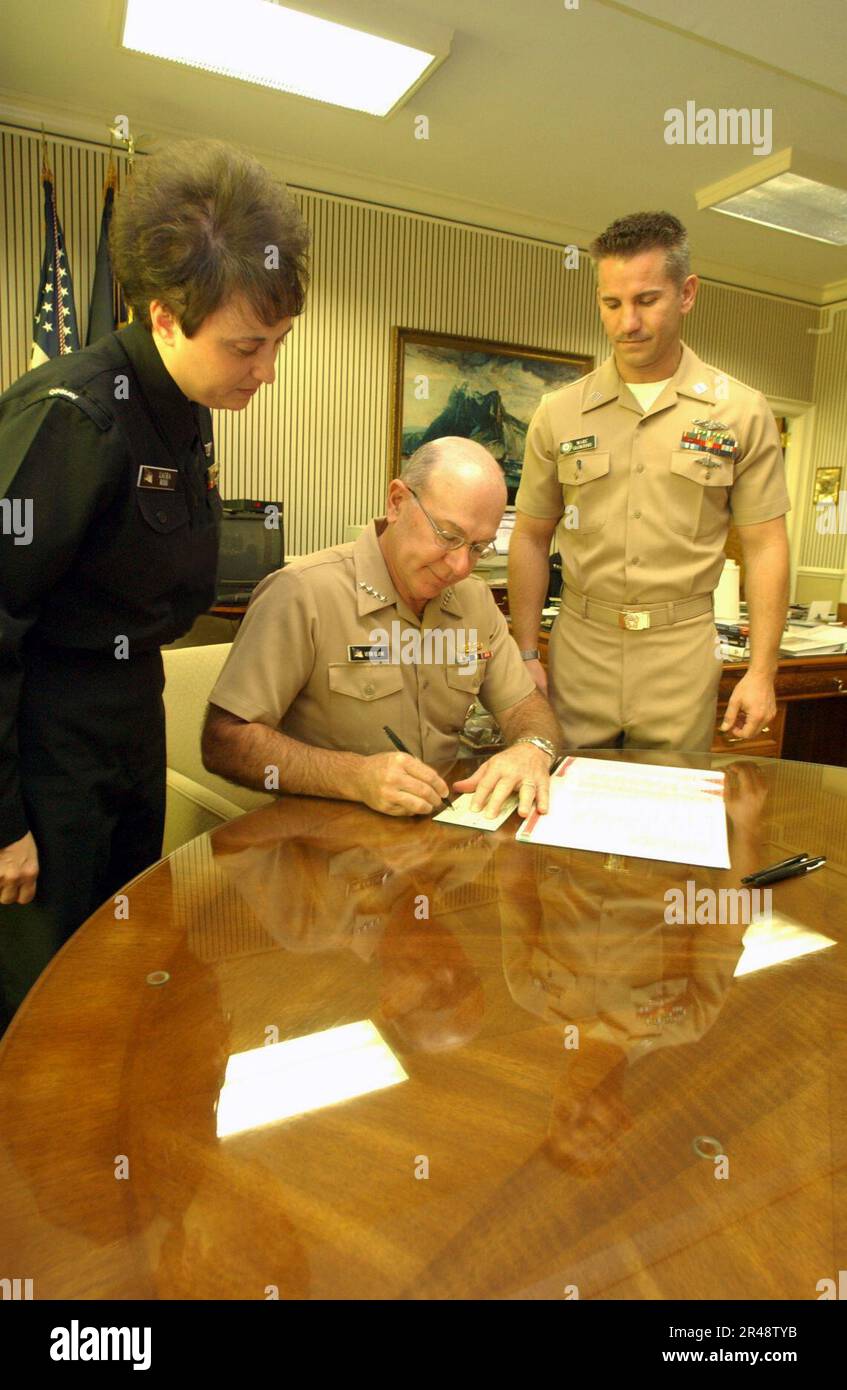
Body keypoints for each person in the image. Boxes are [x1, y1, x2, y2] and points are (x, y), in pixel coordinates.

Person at [0, 139, 310, 1030]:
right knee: (44, 1009)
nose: (267, 371)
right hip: (44, 751)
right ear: (166, 316)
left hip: (128, 732)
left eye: (278, 343)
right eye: (248, 347)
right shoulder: (73, 414)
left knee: (120, 978)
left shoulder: (183, 415)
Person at [509, 210, 790, 752]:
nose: (626, 323)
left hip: (681, 652)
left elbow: (766, 546)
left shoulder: (740, 412)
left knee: (669, 815)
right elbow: (530, 536)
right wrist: (524, 652)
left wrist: (762, 672)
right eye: (611, 303)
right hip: (580, 646)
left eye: (646, 300)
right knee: (565, 807)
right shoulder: (560, 412)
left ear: (686, 294)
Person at [202, 438, 563, 818]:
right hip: (323, 842)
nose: (459, 566)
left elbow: (526, 705)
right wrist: (355, 776)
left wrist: (532, 748)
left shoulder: (474, 600)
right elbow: (225, 741)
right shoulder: (302, 593)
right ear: (397, 502)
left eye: (478, 547)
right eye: (448, 536)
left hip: (439, 835)